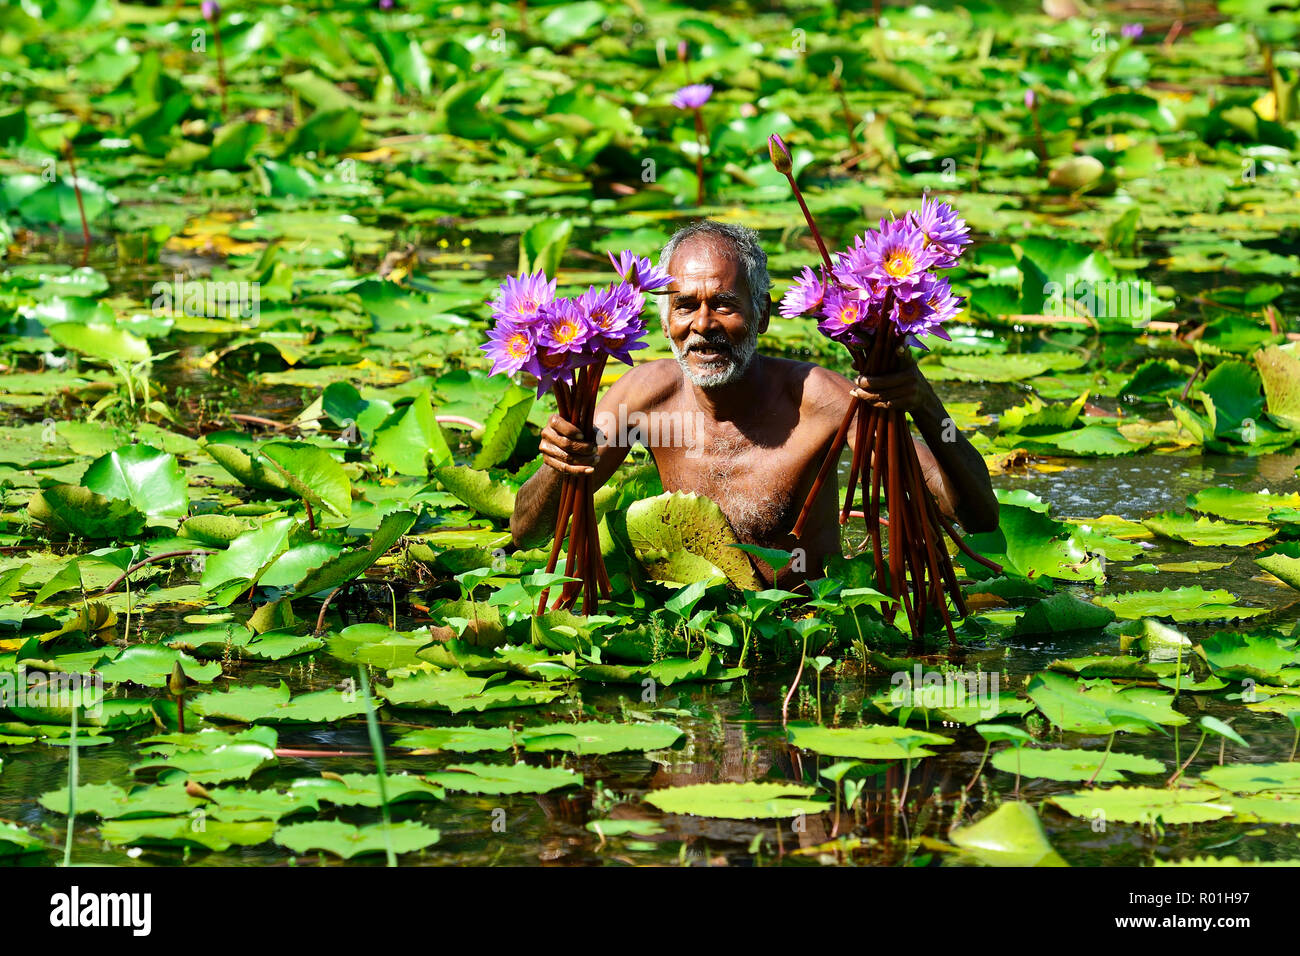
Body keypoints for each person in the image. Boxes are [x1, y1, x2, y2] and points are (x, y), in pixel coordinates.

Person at [510, 220, 998, 587]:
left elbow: (975, 517)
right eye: (685, 306)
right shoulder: (643, 396)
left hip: (807, 631)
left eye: (724, 304)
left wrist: (924, 401)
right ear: (665, 322)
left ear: (762, 314)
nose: (703, 324)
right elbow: (527, 532)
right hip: (693, 630)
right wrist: (559, 465)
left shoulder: (823, 398)